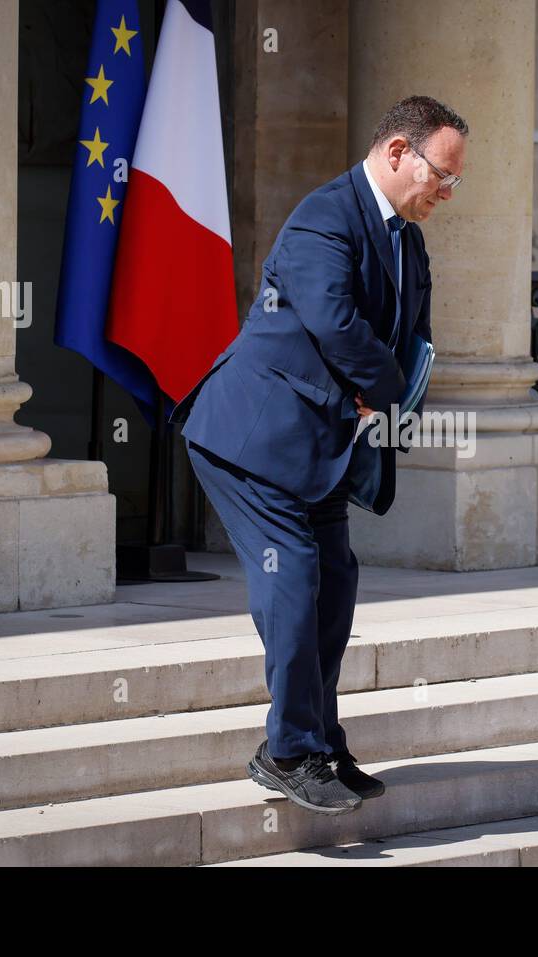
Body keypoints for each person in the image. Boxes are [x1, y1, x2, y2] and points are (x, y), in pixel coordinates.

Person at [170, 95, 468, 814]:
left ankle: (320, 743)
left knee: (335, 582)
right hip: (250, 437)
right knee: (294, 574)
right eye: (442, 174)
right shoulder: (323, 217)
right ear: (398, 151)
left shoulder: (408, 240)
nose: (446, 192)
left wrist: (390, 396)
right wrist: (386, 388)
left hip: (321, 443)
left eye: (456, 182)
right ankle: (287, 751)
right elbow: (334, 320)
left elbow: (412, 338)